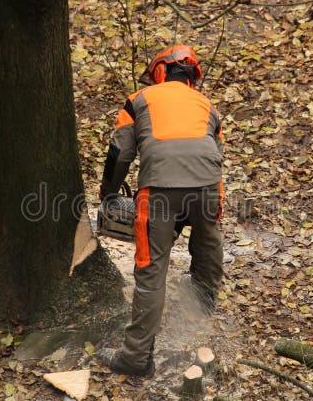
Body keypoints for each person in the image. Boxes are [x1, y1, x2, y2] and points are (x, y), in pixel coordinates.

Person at [96, 45, 224, 377]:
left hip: (160, 191)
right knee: (208, 251)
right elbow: (215, 156)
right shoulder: (207, 107)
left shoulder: (139, 100)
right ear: (191, 77)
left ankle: (136, 357)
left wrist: (109, 194)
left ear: (160, 72)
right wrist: (214, 207)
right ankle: (200, 322)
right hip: (208, 189)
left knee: (151, 274)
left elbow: (119, 154)